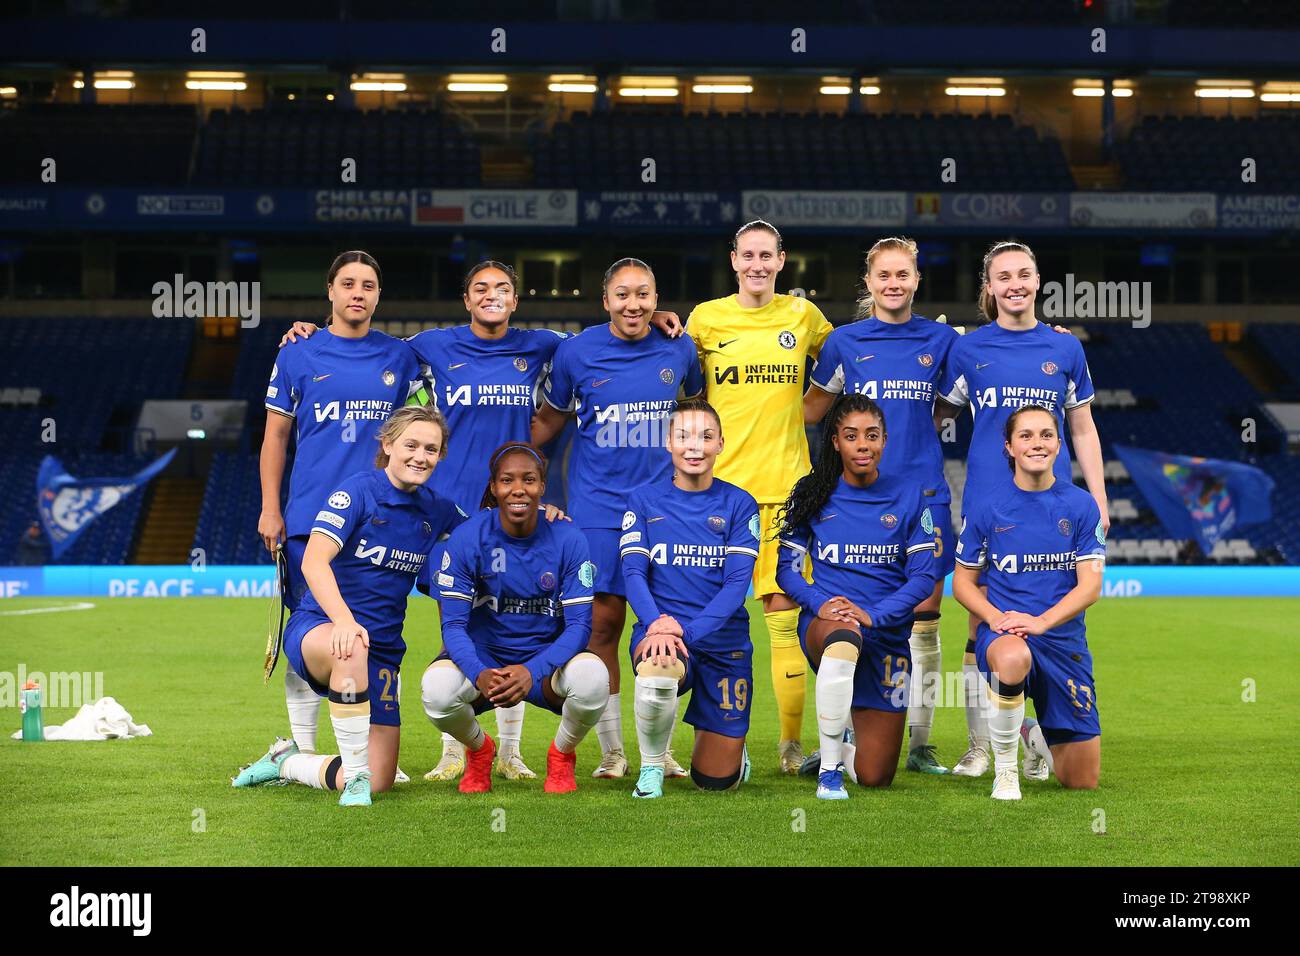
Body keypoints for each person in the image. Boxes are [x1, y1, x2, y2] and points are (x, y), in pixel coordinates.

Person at [279, 262, 683, 782]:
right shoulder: (428, 346)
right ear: (465, 300)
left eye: (504, 289)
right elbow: (361, 346)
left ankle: (509, 749)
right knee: (451, 618)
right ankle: (453, 746)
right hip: (442, 511)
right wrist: (308, 330)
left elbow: (604, 337)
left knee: (505, 616)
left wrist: (655, 316)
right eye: (480, 289)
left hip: (510, 500)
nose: (492, 297)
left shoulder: (545, 345)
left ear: (516, 300)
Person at [937, 239, 1108, 778]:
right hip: (989, 504)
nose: (1015, 283)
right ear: (989, 287)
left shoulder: (1066, 349)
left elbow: (1081, 426)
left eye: (1024, 274)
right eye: (1003, 276)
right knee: (979, 624)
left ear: (1038, 282)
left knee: (1050, 616)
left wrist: (1099, 497)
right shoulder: (967, 350)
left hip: (1050, 508)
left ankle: (1039, 729)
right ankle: (981, 745)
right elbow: (936, 410)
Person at [233, 406, 463, 806]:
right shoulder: (356, 492)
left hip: (384, 651)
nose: (420, 456)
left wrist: (546, 517)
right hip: (322, 630)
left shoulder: (437, 509)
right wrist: (343, 620)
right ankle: (354, 780)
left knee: (383, 780)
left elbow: (488, 534)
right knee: (352, 645)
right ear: (388, 445)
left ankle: (287, 762)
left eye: (431, 449)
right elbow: (313, 560)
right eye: (410, 445)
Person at [531, 258, 703, 779]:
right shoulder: (575, 353)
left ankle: (659, 748)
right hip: (599, 511)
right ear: (605, 300)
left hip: (666, 510)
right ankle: (612, 752)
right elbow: (549, 425)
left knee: (667, 625)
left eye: (644, 295)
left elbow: (698, 414)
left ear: (657, 299)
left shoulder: (680, 347)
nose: (634, 305)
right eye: (623, 295)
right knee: (601, 625)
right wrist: (507, 478)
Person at [258, 250, 424, 772]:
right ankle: (303, 748)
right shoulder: (297, 354)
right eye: (348, 283)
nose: (358, 293)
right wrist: (270, 507)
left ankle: (364, 752)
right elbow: (275, 436)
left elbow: (422, 426)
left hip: (383, 518)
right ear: (330, 290)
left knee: (371, 628)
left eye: (369, 285)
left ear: (378, 295)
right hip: (311, 519)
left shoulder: (401, 358)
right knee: (312, 628)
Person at [802, 237, 958, 774]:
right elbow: (808, 412)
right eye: (884, 275)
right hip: (851, 500)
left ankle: (920, 743)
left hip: (925, 497)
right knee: (848, 612)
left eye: (904, 274)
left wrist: (1045, 331)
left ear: (917, 280)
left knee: (924, 621)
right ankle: (840, 733)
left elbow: (955, 397)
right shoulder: (845, 342)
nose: (894, 283)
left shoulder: (941, 340)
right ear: (868, 284)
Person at [685, 219, 834, 773]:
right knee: (709, 620)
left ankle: (791, 748)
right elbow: (668, 364)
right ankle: (721, 740)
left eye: (766, 256)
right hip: (715, 497)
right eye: (748, 255)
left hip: (785, 492)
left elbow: (847, 362)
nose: (757, 264)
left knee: (782, 615)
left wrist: (806, 412)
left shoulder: (803, 315)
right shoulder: (706, 318)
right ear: (734, 260)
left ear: (781, 260)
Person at [421, 442, 609, 794]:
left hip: (545, 667)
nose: (518, 488)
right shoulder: (467, 538)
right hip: (484, 663)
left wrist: (532, 670)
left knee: (593, 678)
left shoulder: (569, 538)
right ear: (494, 488)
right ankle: (480, 750)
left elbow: (581, 626)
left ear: (542, 487)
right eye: (507, 480)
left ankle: (561, 754)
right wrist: (478, 671)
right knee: (437, 691)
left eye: (529, 479)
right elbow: (453, 626)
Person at [775, 395, 938, 799]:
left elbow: (923, 578)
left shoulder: (910, 496)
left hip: (884, 636)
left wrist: (875, 614)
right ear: (835, 442)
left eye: (871, 436)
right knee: (845, 635)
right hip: (828, 625)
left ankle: (841, 746)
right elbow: (787, 570)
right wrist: (818, 604)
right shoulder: (814, 493)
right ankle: (829, 771)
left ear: (884, 441)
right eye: (851, 436)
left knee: (876, 776)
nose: (862, 445)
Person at [952, 404, 1106, 800]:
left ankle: (1032, 735)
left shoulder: (1081, 506)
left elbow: (1090, 588)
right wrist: (995, 618)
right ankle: (1006, 773)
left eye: (1046, 435)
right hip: (1007, 636)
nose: (1036, 443)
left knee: (1082, 781)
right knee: (1013, 659)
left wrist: (1041, 623)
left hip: (1062, 643)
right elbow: (964, 583)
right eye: (1025, 436)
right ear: (1009, 447)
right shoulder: (987, 506)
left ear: (1058, 444)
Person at [620, 398, 759, 798]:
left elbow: (736, 588)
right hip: (663, 634)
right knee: (659, 663)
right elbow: (633, 573)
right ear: (668, 443)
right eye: (683, 436)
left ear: (721, 444)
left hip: (722, 642)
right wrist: (657, 625)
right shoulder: (643, 502)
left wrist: (687, 630)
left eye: (705, 436)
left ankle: (731, 751)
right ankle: (651, 767)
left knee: (715, 783)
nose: (694, 446)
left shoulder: (739, 504)